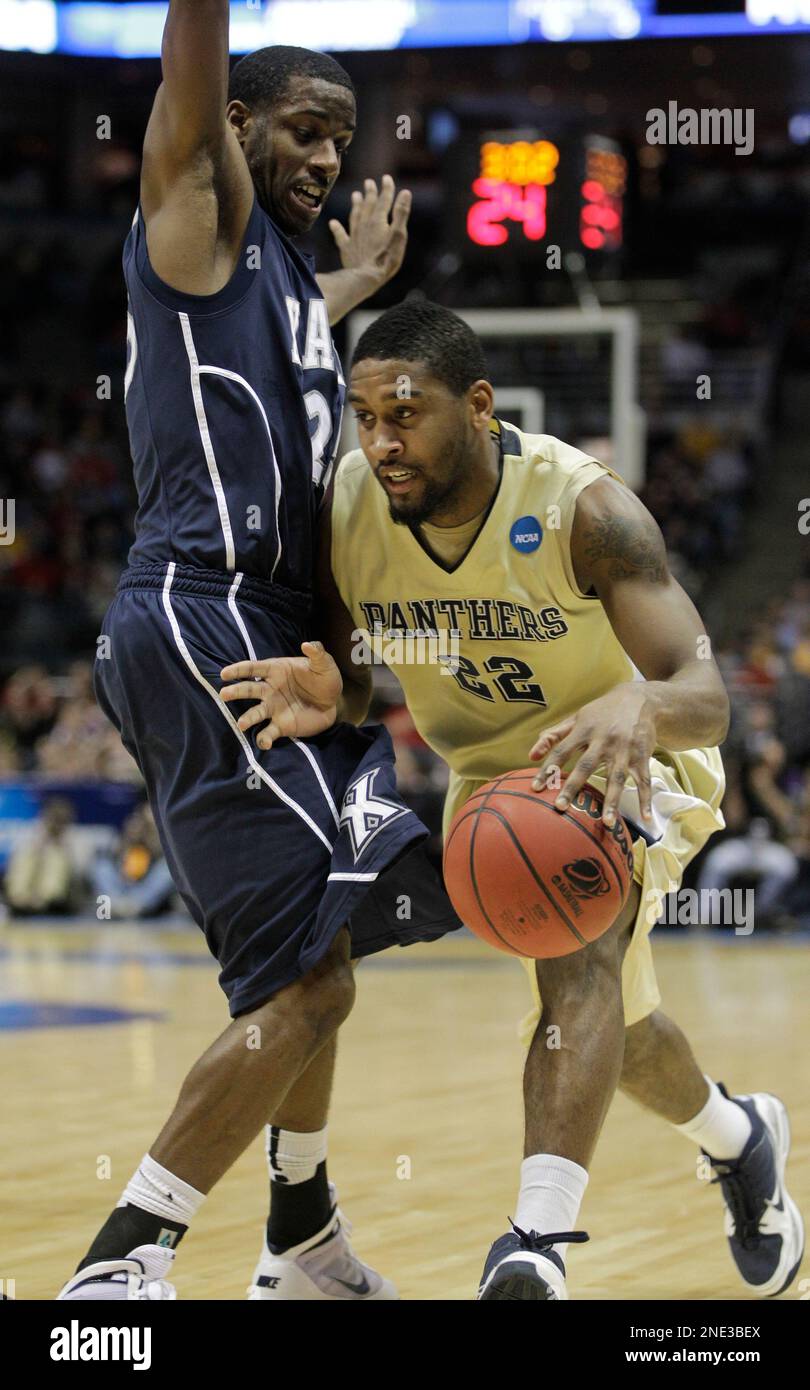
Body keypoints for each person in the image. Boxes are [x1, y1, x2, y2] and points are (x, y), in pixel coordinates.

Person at [223, 300, 804, 1300]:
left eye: (405, 415)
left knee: (580, 956)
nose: (381, 440)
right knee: (615, 1036)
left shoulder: (588, 511)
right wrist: (335, 693)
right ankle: (741, 1136)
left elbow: (706, 697)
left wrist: (637, 704)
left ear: (480, 406)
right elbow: (355, 674)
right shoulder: (351, 509)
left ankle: (534, 1244)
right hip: (489, 775)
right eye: (364, 418)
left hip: (628, 749)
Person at [58, 10, 460, 1305]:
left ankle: (299, 1237)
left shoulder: (281, 285)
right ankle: (121, 1265)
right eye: (301, 130)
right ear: (231, 128)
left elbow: (290, 325)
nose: (326, 162)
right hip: (204, 621)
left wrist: (354, 286)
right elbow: (189, 74)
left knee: (325, 959)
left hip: (270, 634)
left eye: (341, 142)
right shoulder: (190, 214)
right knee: (313, 976)